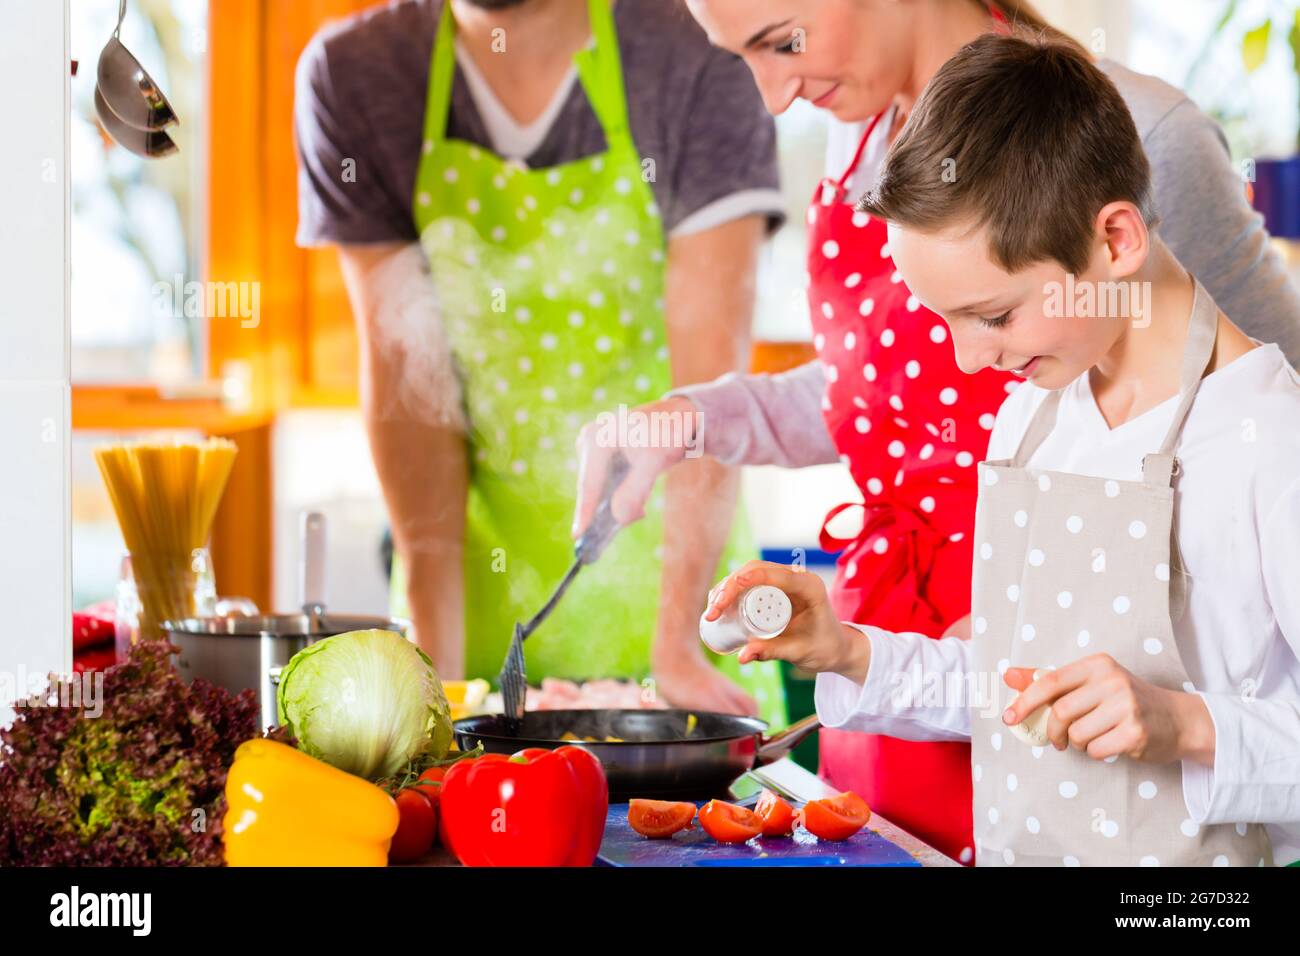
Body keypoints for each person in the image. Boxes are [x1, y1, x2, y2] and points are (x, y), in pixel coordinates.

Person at [574, 0, 1300, 863]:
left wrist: (1185, 721)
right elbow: (1002, 679)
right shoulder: (1037, 415)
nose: (963, 364)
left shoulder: (1259, 434)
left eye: (992, 315)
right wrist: (846, 650)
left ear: (1116, 238)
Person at [294, 0, 790, 722]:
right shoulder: (359, 74)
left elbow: (707, 388)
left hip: (686, 604)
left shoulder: (698, 53)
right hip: (472, 613)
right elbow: (410, 386)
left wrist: (677, 648)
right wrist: (441, 688)